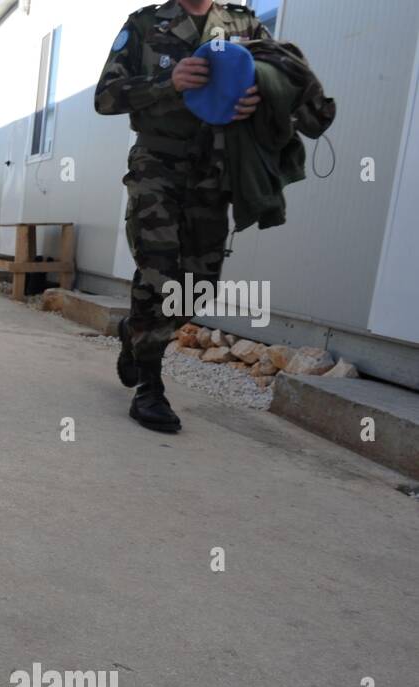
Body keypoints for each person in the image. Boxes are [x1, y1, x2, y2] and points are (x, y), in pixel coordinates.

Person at [95, 0, 271, 433]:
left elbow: (276, 81)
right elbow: (106, 97)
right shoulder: (144, 24)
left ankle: (133, 331)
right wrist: (165, 81)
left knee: (198, 287)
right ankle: (150, 388)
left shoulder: (243, 24)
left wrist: (257, 100)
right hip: (157, 164)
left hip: (213, 171)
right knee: (160, 272)